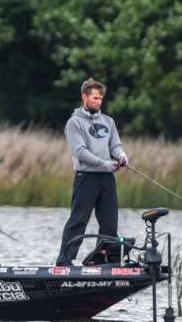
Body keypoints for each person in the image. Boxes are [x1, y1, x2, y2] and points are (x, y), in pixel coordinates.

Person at [55, 78, 128, 266]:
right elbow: (80, 152)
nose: (98, 102)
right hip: (86, 178)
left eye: (101, 99)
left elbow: (115, 146)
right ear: (84, 97)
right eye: (95, 98)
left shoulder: (109, 122)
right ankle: (64, 261)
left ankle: (103, 261)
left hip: (107, 179)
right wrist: (104, 164)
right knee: (78, 221)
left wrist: (121, 156)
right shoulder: (74, 123)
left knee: (110, 224)